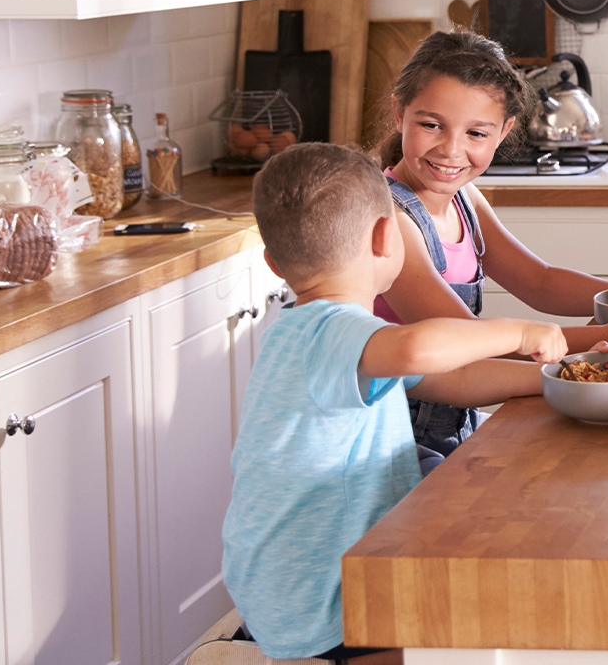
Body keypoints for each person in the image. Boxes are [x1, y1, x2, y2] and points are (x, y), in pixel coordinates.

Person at [221, 143, 579, 663]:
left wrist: (557, 379)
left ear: (272, 262)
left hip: (283, 573)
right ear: (387, 238)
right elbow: (419, 347)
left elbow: (454, 379)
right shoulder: (335, 331)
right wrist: (520, 332)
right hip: (321, 589)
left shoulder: (309, 334)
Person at [373, 30, 608, 464]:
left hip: (455, 425)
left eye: (476, 133)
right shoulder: (389, 218)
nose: (451, 150)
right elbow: (469, 339)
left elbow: (539, 281)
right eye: (431, 125)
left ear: (504, 131)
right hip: (393, 443)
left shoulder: (465, 198)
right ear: (400, 113)